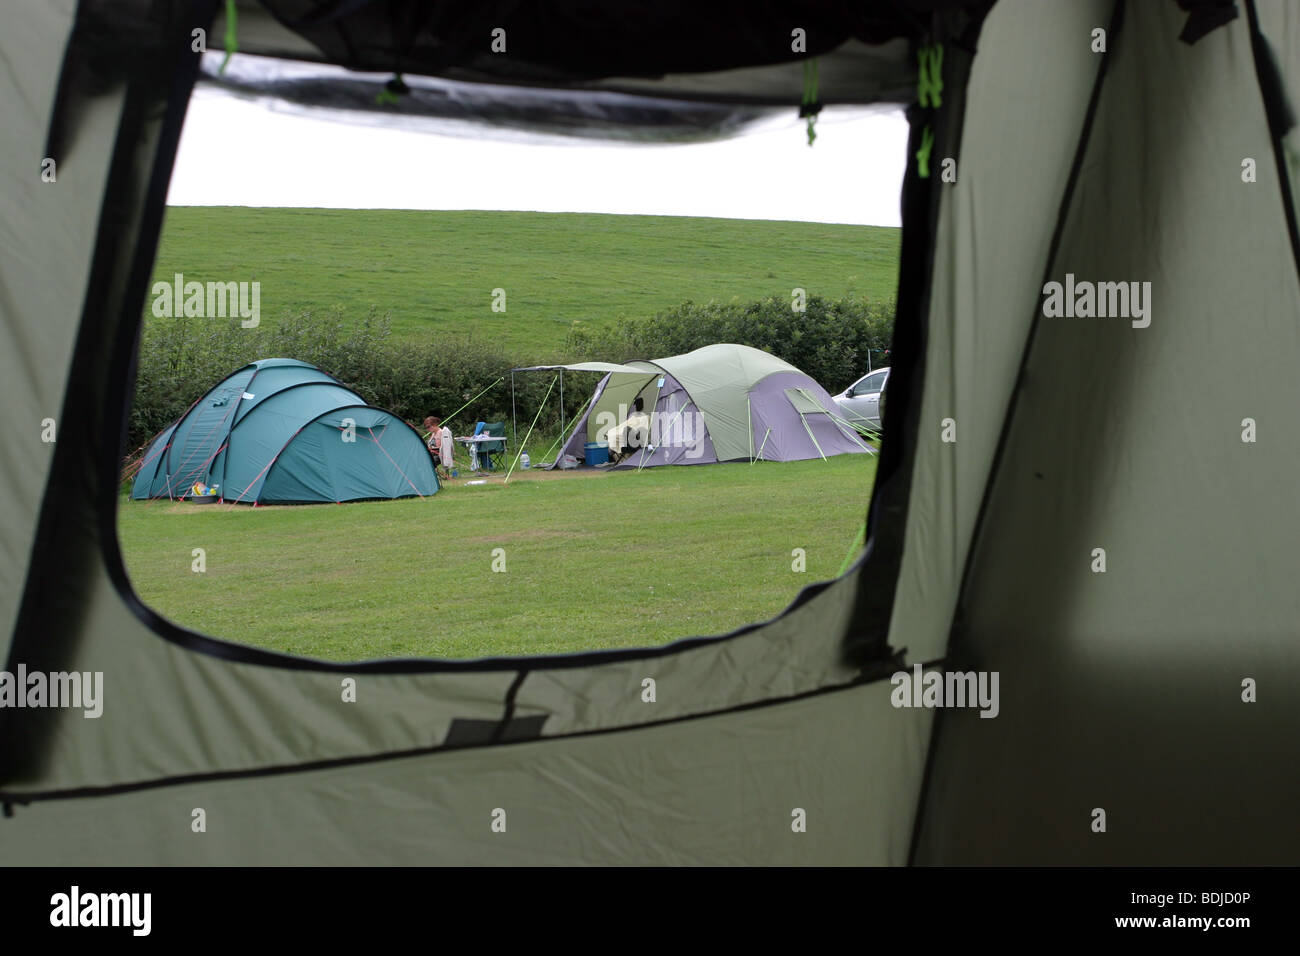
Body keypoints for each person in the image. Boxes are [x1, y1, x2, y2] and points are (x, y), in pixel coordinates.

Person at [604, 396, 651, 463]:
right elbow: (623, 425)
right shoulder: (636, 417)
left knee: (621, 434)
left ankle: (620, 457)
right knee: (622, 433)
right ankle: (621, 456)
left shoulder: (644, 418)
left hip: (634, 440)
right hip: (631, 439)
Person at [424, 415, 455, 479]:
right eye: (426, 427)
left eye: (429, 427)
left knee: (429, 462)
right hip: (432, 453)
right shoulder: (433, 434)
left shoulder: (442, 432)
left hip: (439, 454)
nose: (428, 429)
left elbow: (445, 446)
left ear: (435, 424)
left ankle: (440, 475)